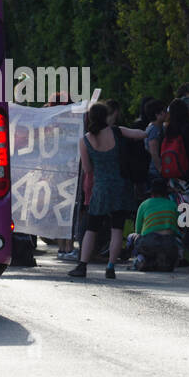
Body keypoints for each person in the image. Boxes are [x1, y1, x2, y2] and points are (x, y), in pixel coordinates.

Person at [67, 103, 146, 279]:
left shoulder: (85, 140)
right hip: (121, 187)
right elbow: (141, 134)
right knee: (117, 229)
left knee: (91, 228)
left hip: (101, 188)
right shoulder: (116, 131)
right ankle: (110, 267)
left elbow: (87, 169)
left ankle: (82, 266)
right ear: (105, 116)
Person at [131, 178, 181, 271]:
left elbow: (137, 230)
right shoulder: (173, 204)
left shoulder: (144, 204)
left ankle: (139, 260)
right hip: (169, 242)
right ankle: (164, 262)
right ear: (166, 193)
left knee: (132, 237)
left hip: (149, 242)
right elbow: (177, 226)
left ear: (152, 193)